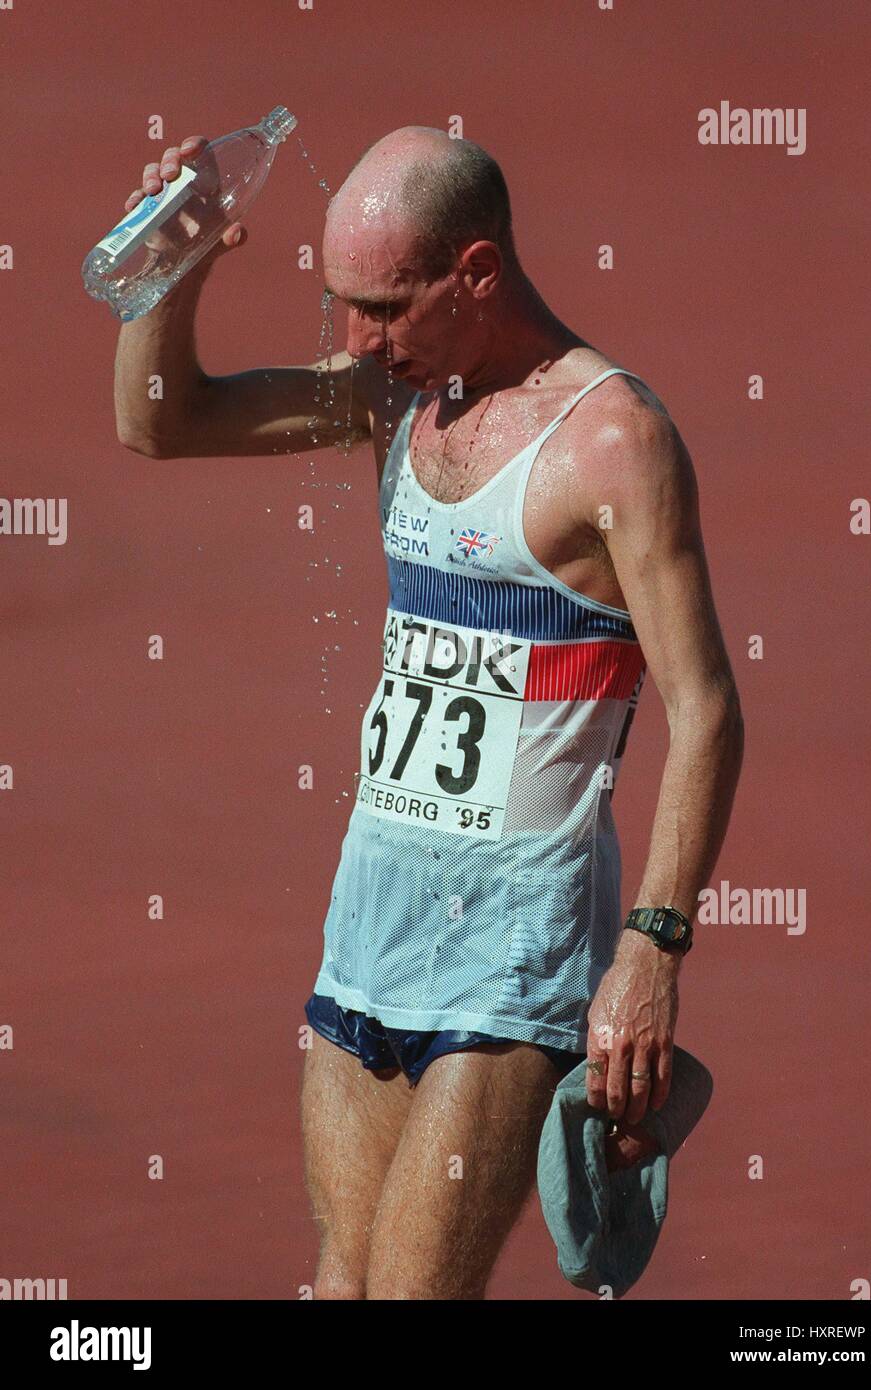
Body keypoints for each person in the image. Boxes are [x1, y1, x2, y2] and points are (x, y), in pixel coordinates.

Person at [115, 125, 744, 1300]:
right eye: (342, 305)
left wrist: (649, 955)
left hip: (516, 943)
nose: (358, 340)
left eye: (384, 308)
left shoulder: (614, 442)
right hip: (373, 916)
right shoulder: (392, 400)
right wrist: (169, 262)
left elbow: (706, 708)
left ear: (478, 272)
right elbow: (162, 420)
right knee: (345, 1285)